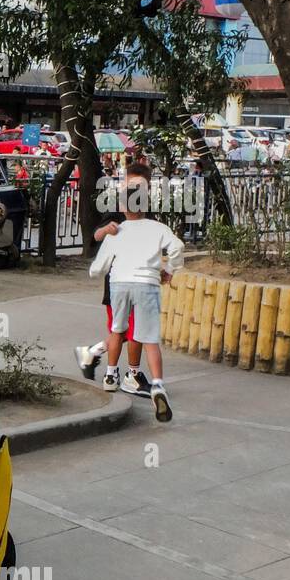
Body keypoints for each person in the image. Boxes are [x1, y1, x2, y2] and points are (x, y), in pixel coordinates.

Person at [89, 162, 183, 421]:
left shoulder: (126, 221)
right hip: (138, 285)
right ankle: (150, 381)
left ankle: (111, 371)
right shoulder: (139, 220)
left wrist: (96, 269)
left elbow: (99, 264)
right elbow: (97, 235)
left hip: (121, 284)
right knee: (142, 335)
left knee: (122, 331)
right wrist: (169, 270)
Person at [75, 182, 148, 395]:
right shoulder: (116, 217)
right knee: (131, 331)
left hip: (134, 284)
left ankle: (93, 356)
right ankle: (130, 375)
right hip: (119, 286)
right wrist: (106, 230)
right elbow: (95, 236)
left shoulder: (146, 221)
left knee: (124, 331)